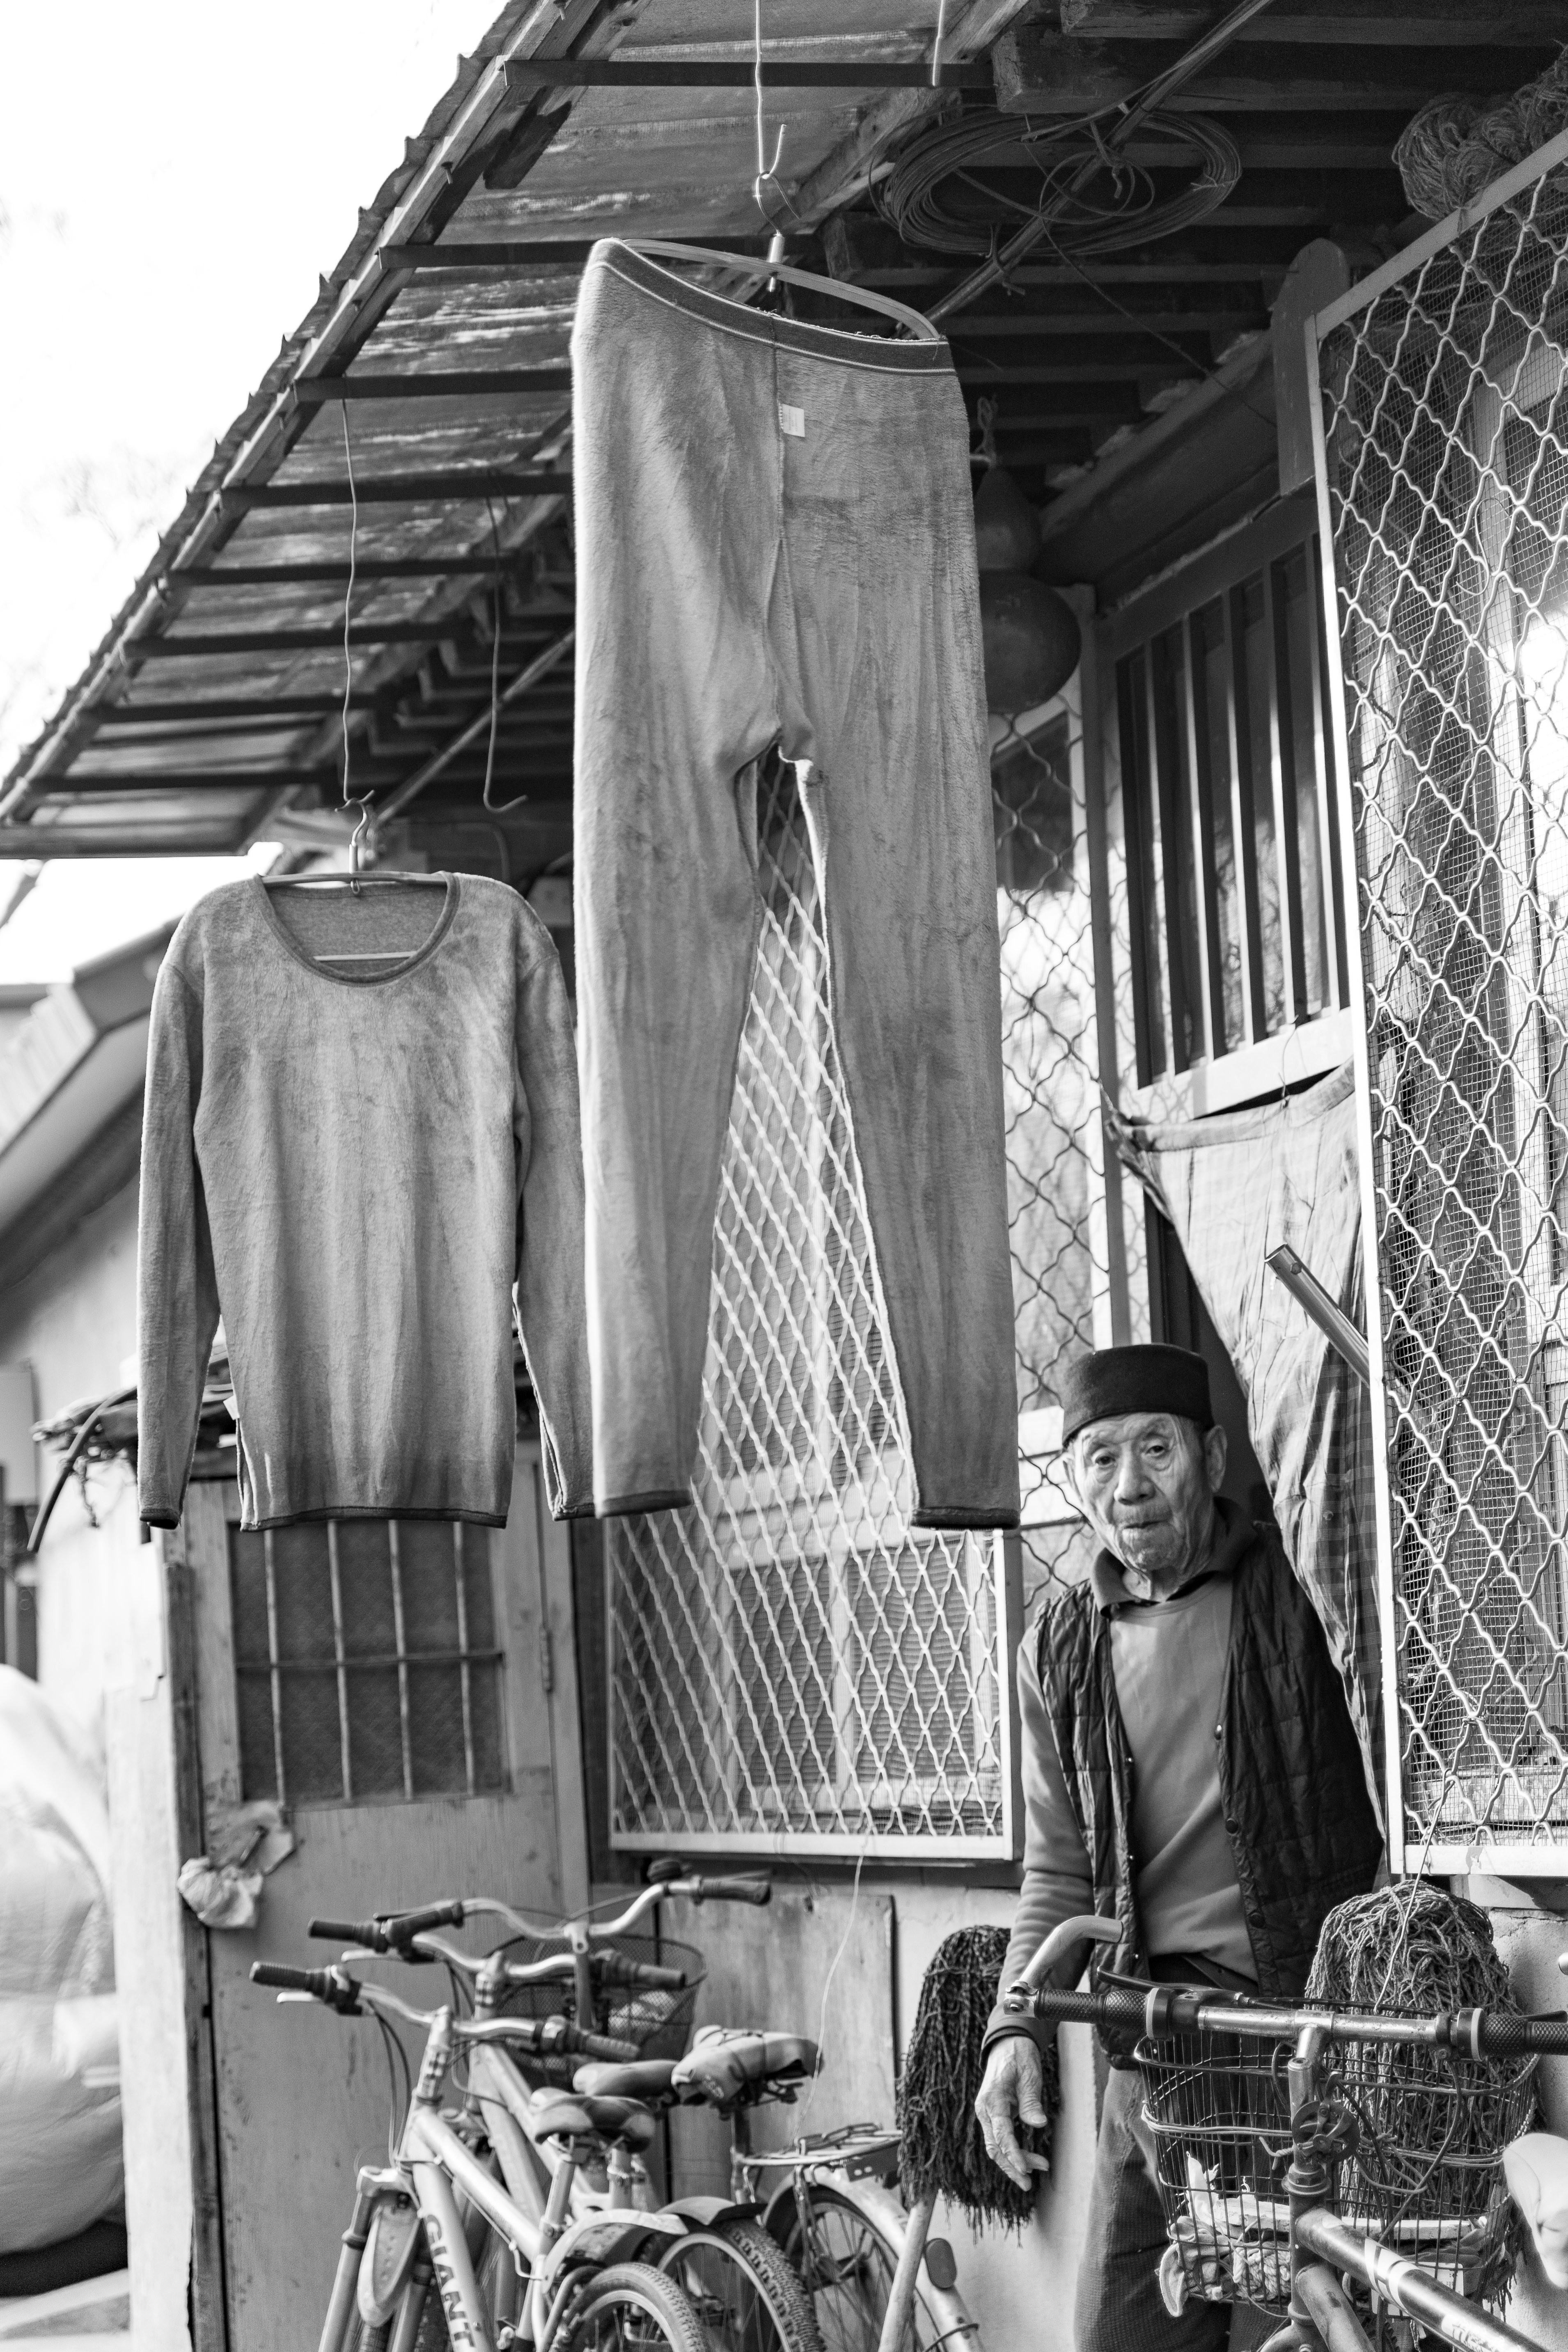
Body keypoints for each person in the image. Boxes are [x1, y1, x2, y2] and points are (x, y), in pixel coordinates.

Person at [974, 1343, 1382, 2352]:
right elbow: (1055, 1870)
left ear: (1209, 1453)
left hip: (1302, 2039)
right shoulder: (1058, 1646)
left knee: (1332, 2322)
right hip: (1149, 2047)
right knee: (1127, 2333)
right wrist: (1011, 2025)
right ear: (1071, 1481)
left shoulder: (1298, 1595)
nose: (1130, 1486)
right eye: (1100, 1458)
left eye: (1154, 1449)